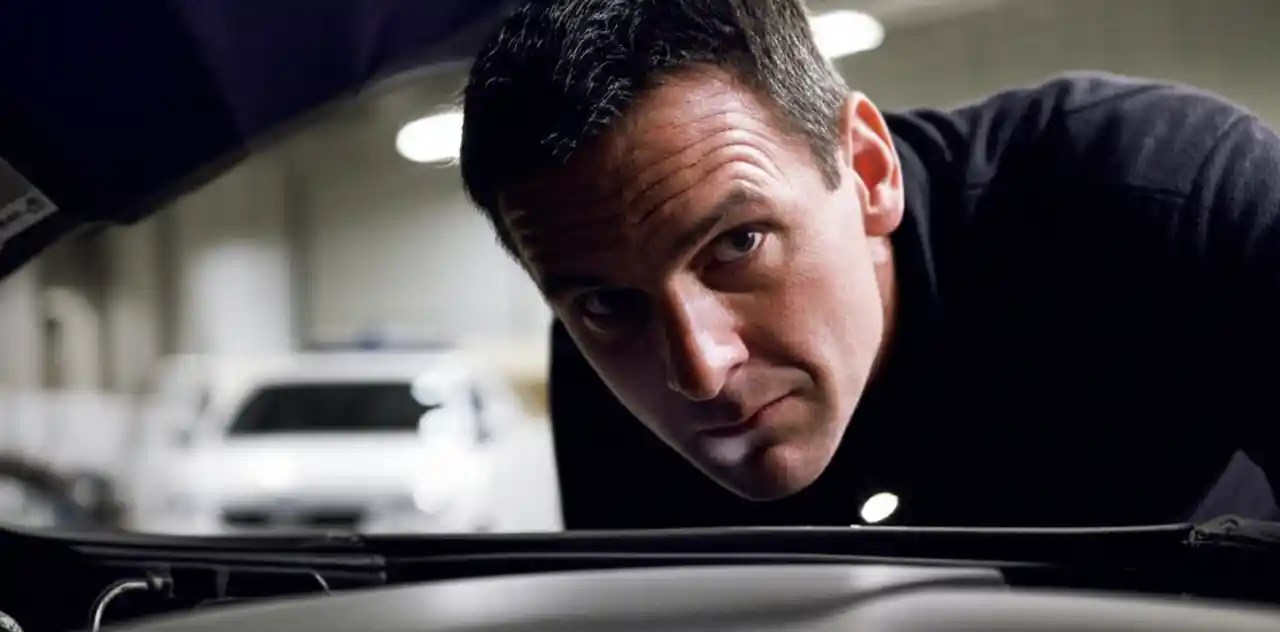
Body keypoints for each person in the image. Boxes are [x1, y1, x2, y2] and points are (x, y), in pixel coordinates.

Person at [458, 0, 1280, 527]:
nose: (700, 371)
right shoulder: (599, 355)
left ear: (869, 170)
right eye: (607, 303)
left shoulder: (1162, 199)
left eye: (737, 244)